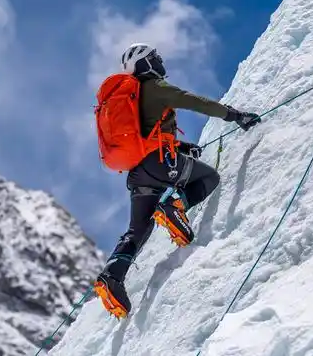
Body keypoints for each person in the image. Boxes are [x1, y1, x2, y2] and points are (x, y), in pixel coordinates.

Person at [94, 43, 261, 318]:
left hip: (138, 174)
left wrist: (182, 148)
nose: (160, 62)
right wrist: (235, 115)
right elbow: (194, 101)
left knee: (138, 230)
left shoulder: (133, 98)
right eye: (155, 58)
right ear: (145, 64)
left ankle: (112, 275)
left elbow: (147, 133)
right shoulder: (155, 87)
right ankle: (175, 205)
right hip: (159, 164)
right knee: (208, 178)